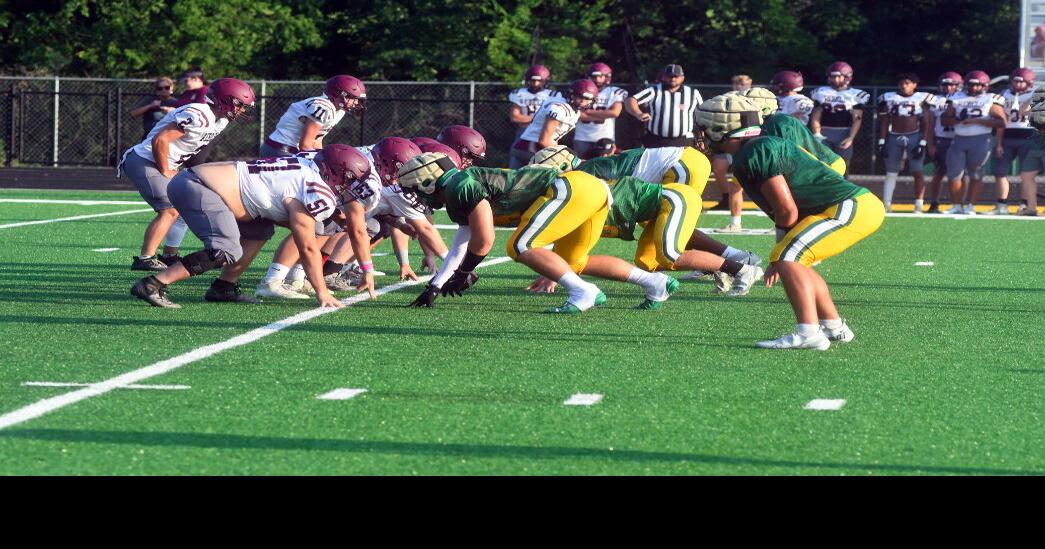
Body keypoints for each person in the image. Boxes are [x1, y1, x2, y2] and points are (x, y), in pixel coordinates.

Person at [697, 93, 885, 350]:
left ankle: (808, 333)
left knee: (788, 256)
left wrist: (779, 254)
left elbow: (786, 211)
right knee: (798, 261)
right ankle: (834, 327)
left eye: (706, 129)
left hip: (849, 207)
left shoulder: (755, 151)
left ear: (722, 129)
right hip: (850, 207)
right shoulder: (756, 147)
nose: (703, 135)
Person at [398, 154, 679, 313]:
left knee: (521, 245)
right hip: (589, 190)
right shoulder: (458, 190)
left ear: (426, 181)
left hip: (573, 188)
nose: (413, 196)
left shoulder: (460, 185)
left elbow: (484, 241)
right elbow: (461, 246)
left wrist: (463, 274)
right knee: (572, 262)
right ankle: (654, 284)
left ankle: (584, 291)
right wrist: (436, 285)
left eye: (413, 189)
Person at [130, 144, 372, 309]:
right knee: (224, 250)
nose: (350, 186)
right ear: (335, 172)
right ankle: (152, 284)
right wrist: (322, 291)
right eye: (349, 178)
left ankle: (223, 287)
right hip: (197, 186)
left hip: (201, 181)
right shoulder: (314, 188)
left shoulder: (308, 166)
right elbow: (307, 246)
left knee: (259, 231)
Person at [118, 78, 255, 272]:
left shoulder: (220, 120)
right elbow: (161, 139)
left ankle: (169, 256)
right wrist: (165, 169)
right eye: (238, 104)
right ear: (224, 100)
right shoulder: (200, 114)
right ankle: (145, 258)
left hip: (160, 161)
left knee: (183, 205)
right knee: (169, 209)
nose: (241, 110)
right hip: (144, 160)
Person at [940, 71, 1006, 214]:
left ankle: (971, 205)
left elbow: (1001, 122)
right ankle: (957, 205)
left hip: (981, 139)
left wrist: (977, 121)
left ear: (985, 86)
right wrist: (958, 121)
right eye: (971, 85)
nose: (974, 88)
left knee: (976, 174)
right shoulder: (956, 98)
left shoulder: (991, 99)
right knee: (954, 174)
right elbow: (944, 119)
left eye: (977, 85)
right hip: (959, 139)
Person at [876, 73, 939, 213]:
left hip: (914, 136)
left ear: (914, 85)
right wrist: (882, 141)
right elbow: (885, 120)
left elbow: (926, 122)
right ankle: (886, 204)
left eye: (907, 83)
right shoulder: (889, 97)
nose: (904, 86)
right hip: (894, 136)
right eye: (902, 83)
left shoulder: (922, 98)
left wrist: (923, 142)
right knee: (891, 172)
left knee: (917, 171)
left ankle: (918, 205)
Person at [260, 75, 366, 157]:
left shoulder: (339, 110)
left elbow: (317, 139)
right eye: (352, 98)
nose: (356, 102)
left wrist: (321, 155)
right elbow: (305, 145)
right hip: (280, 149)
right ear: (338, 94)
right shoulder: (323, 106)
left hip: (289, 149)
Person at [509, 79, 597, 168]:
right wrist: (570, 158)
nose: (582, 101)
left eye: (587, 99)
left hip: (533, 148)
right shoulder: (559, 108)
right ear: (572, 94)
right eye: (579, 96)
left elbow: (553, 138)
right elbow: (544, 140)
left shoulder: (572, 110)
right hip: (530, 148)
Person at [990, 68, 1037, 215]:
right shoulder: (1004, 94)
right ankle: (1001, 204)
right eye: (1015, 80)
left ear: (1029, 82)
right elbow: (1000, 120)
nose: (1017, 84)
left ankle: (1023, 204)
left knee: (1026, 174)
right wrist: (998, 143)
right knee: (1000, 172)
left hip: (1029, 136)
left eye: (1020, 81)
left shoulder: (1035, 94)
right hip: (1008, 136)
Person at [810, 61, 870, 174]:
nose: (833, 79)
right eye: (831, 76)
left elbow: (857, 119)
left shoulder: (855, 95)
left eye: (836, 76)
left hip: (844, 133)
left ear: (847, 77)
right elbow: (816, 115)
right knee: (823, 165)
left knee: (843, 166)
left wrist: (851, 137)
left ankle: (842, 191)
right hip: (824, 132)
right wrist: (817, 133)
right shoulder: (822, 92)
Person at [625, 64, 703, 148]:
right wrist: (638, 113)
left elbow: (703, 115)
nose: (673, 79)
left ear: (682, 78)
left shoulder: (692, 93)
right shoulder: (654, 91)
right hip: (656, 141)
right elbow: (630, 100)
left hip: (683, 141)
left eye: (676, 76)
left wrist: (701, 139)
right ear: (664, 77)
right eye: (670, 76)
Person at [926, 72, 963, 213]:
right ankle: (934, 202)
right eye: (946, 85)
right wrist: (930, 143)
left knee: (960, 174)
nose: (948, 88)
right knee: (940, 172)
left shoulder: (963, 98)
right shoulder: (935, 100)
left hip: (960, 139)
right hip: (942, 139)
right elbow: (930, 123)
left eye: (952, 85)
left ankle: (960, 202)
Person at [573, 62, 628, 158]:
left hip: (604, 136)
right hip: (582, 136)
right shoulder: (581, 90)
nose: (597, 80)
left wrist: (587, 111)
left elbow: (615, 113)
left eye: (600, 76)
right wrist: (604, 114)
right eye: (594, 77)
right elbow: (577, 115)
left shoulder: (613, 92)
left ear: (607, 77)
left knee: (604, 166)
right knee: (581, 166)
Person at [507, 65, 555, 143]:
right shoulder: (519, 93)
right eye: (533, 81)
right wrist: (541, 119)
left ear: (545, 81)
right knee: (517, 153)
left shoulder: (553, 95)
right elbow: (514, 117)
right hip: (524, 130)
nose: (536, 84)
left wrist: (526, 119)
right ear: (528, 80)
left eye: (540, 81)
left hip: (545, 131)